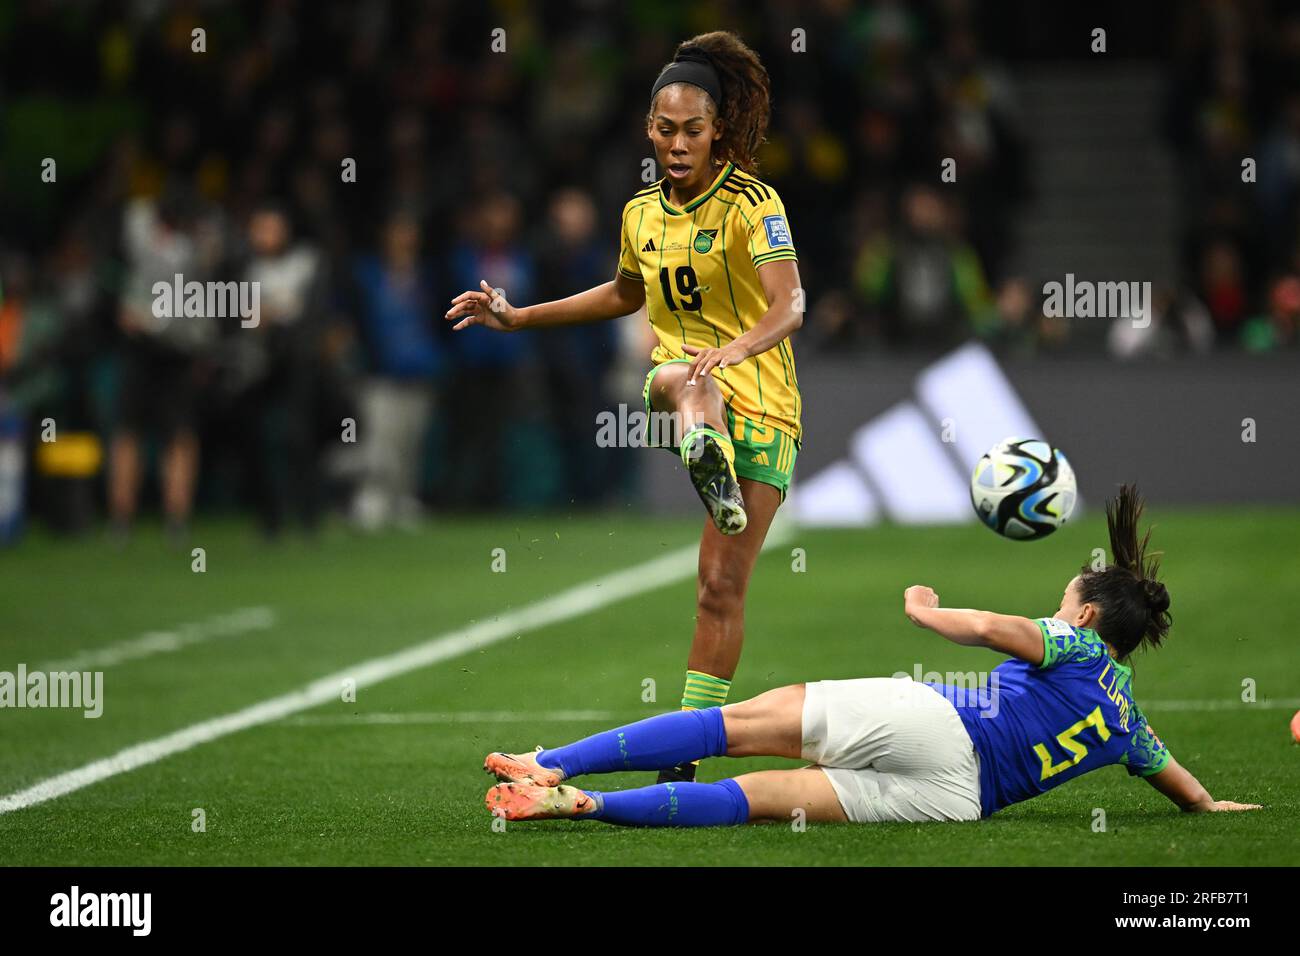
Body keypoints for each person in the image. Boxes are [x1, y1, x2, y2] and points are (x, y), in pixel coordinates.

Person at [446, 32, 803, 783]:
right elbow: (624, 295)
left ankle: (684, 751)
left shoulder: (751, 202)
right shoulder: (640, 213)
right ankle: (706, 445)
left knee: (719, 588)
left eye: (693, 131)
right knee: (674, 372)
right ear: (649, 129)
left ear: (718, 132)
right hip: (687, 383)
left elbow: (790, 304)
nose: (678, 144)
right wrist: (519, 316)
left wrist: (736, 351)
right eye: (665, 129)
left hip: (764, 399)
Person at [482, 485, 1260, 826]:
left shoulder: (1076, 641)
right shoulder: (1127, 719)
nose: (1058, 611)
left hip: (944, 727)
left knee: (734, 726)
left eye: (1065, 600)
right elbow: (1182, 787)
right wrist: (1210, 807)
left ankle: (550, 763)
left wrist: (926, 611)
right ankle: (584, 806)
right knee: (760, 799)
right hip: (958, 802)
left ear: (1088, 615)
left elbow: (998, 630)